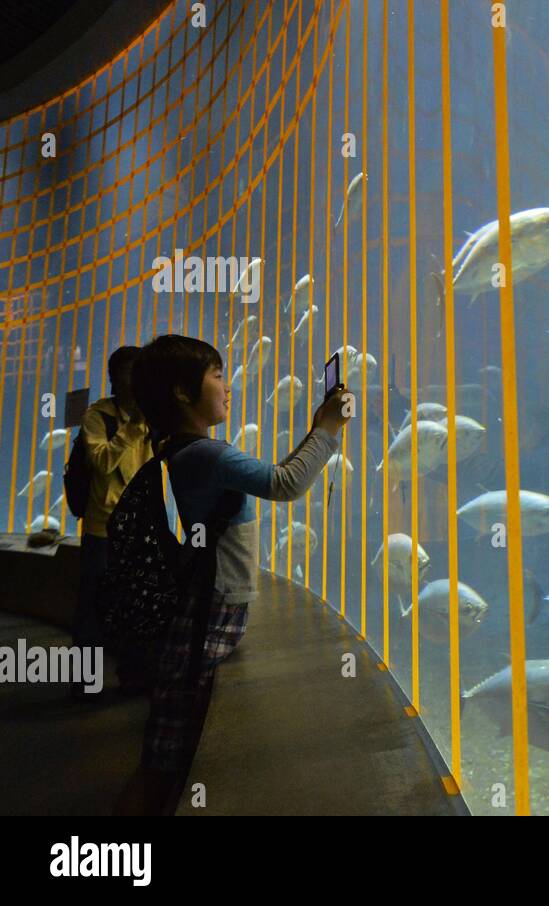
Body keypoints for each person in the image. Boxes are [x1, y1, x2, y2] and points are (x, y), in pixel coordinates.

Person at [114, 334, 351, 815]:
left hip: (210, 604)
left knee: (172, 744)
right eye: (217, 374)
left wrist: (316, 430)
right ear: (182, 392)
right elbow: (285, 483)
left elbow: (278, 472)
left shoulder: (183, 448)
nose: (227, 385)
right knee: (169, 749)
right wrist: (327, 431)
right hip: (212, 609)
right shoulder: (204, 454)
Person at [73, 345, 152, 691]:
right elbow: (103, 462)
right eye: (130, 375)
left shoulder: (152, 415)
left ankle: (133, 676)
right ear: (115, 379)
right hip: (101, 530)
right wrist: (132, 428)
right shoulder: (97, 416)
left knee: (136, 605)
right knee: (93, 607)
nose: (136, 384)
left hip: (137, 529)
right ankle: (83, 682)